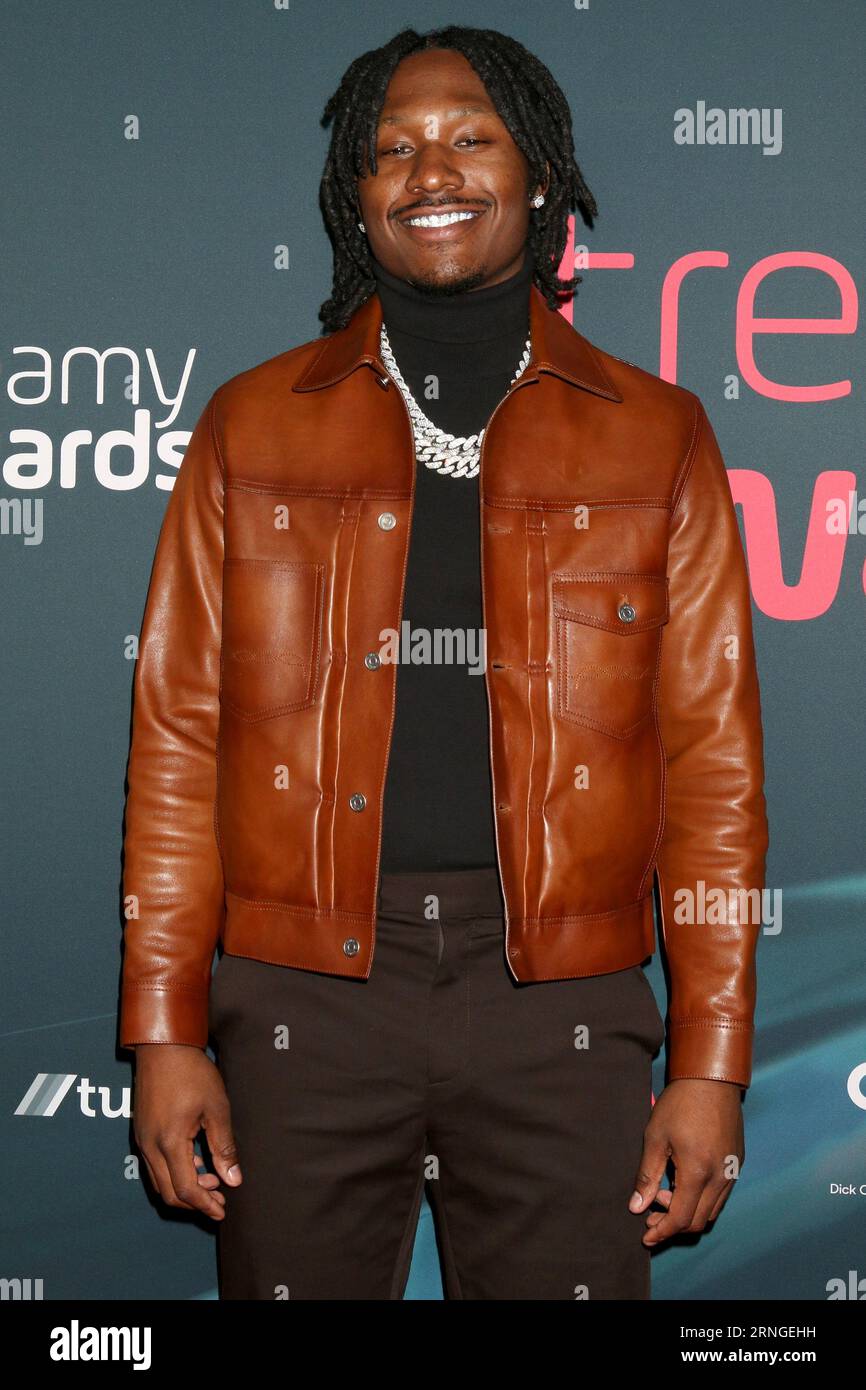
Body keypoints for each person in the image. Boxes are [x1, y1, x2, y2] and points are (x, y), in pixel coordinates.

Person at [118, 25, 769, 1300]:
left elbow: (712, 772)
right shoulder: (251, 426)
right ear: (353, 200)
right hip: (301, 993)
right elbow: (180, 739)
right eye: (392, 149)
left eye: (472, 138)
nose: (432, 171)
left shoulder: (656, 436)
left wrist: (709, 1060)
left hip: (560, 1007)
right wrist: (161, 1030)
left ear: (538, 178)